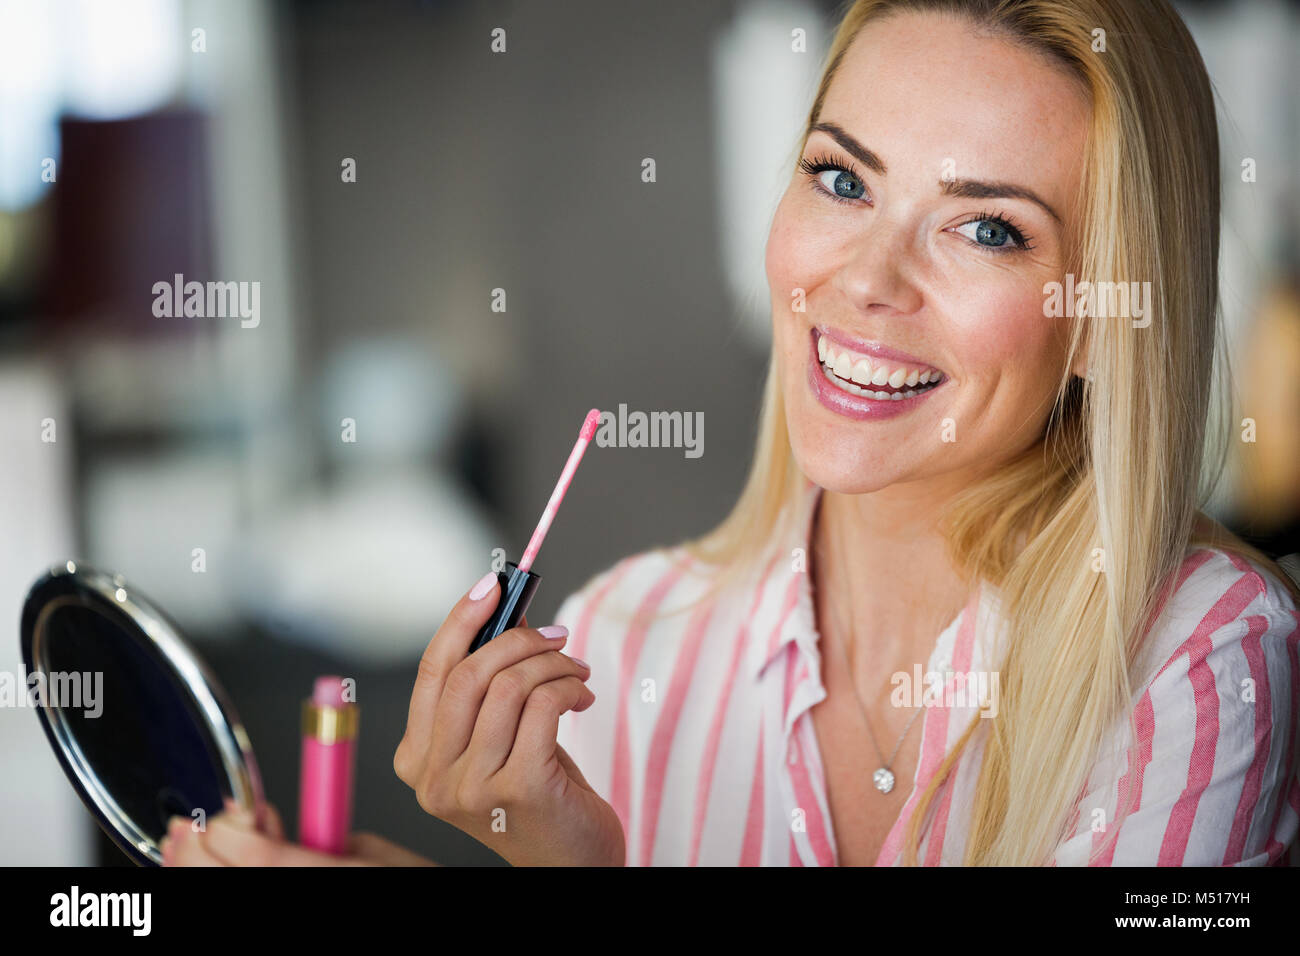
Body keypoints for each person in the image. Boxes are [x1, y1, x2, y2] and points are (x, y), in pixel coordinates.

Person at [166, 0, 1300, 867]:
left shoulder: (1203, 654)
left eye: (988, 228)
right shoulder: (618, 637)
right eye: (841, 180)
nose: (865, 280)